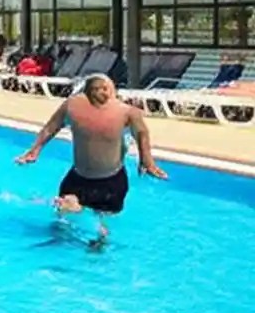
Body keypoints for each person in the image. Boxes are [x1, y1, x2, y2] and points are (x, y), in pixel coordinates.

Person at [15, 73, 167, 239]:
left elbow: (142, 132)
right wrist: (34, 150)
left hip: (110, 182)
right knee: (63, 214)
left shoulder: (127, 113)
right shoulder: (72, 106)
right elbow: (51, 128)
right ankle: (73, 226)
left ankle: (90, 233)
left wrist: (147, 160)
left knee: (99, 227)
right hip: (78, 178)